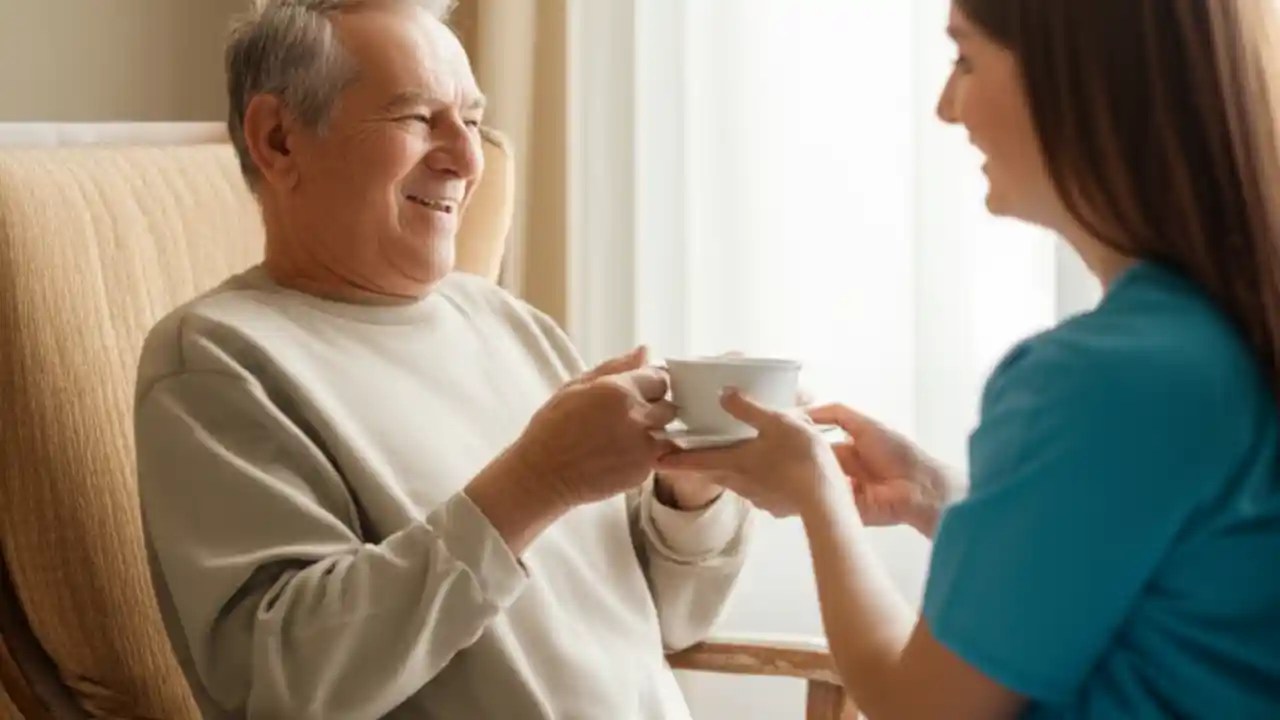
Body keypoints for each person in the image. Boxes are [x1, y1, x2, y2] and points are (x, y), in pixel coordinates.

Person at [658, 1, 1280, 717]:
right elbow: (1155, 570)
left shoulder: (1099, 378)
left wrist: (815, 495)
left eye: (965, 59)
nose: (945, 109)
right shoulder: (1216, 341)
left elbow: (920, 708)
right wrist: (938, 496)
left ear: (1079, 78)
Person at [133, 1, 751, 718]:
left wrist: (688, 493)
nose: (467, 157)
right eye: (418, 117)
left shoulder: (509, 324)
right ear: (278, 140)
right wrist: (537, 482)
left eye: (472, 119)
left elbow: (671, 622)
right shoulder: (217, 361)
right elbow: (289, 685)